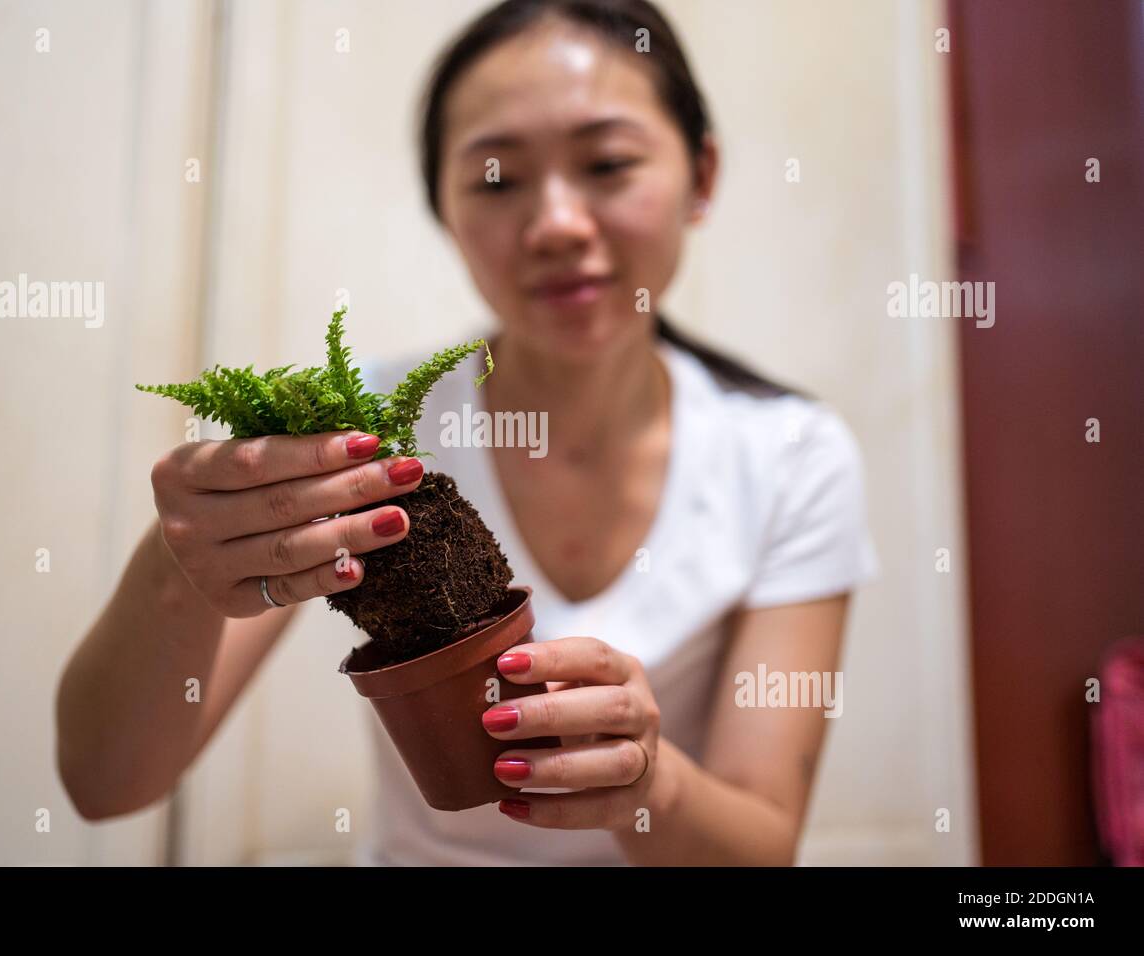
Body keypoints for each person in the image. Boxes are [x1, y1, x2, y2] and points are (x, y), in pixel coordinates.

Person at [56, 0, 878, 866]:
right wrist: (183, 564)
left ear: (702, 175)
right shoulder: (368, 428)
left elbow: (761, 844)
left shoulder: (789, 456)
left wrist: (648, 785)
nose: (557, 223)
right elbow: (106, 785)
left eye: (606, 163)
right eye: (497, 178)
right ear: (443, 208)